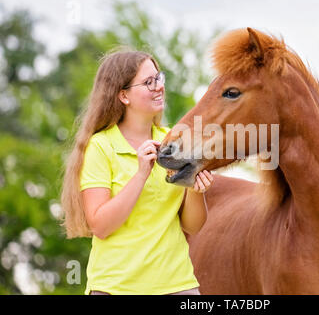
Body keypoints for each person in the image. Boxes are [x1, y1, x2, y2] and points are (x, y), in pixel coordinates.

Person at [60, 48, 213, 295]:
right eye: (148, 82)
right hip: (114, 287)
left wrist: (197, 191)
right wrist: (141, 174)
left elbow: (193, 227)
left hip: (177, 285)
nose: (158, 87)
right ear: (124, 96)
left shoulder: (175, 142)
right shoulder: (101, 147)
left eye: (158, 78)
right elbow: (101, 226)